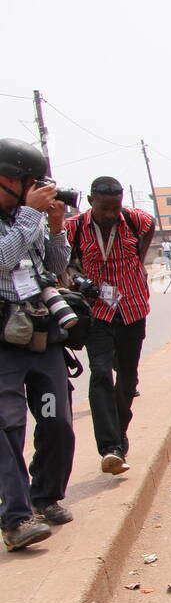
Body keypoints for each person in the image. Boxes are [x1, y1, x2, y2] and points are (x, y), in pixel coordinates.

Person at [0, 138, 75, 549]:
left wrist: (57, 229)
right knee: (7, 425)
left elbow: (56, 268)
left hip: (40, 332)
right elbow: (3, 258)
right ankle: (15, 518)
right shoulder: (20, 218)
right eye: (29, 182)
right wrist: (31, 214)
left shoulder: (26, 218)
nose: (34, 190)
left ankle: (44, 497)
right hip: (4, 343)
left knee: (56, 419)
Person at [65, 176, 155, 475]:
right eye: (104, 208)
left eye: (116, 208)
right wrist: (77, 280)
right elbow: (63, 264)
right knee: (101, 373)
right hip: (98, 311)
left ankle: (120, 433)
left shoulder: (137, 221)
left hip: (132, 309)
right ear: (91, 202)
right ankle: (110, 448)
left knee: (128, 381)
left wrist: (135, 266)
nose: (110, 214)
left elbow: (145, 241)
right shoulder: (74, 228)